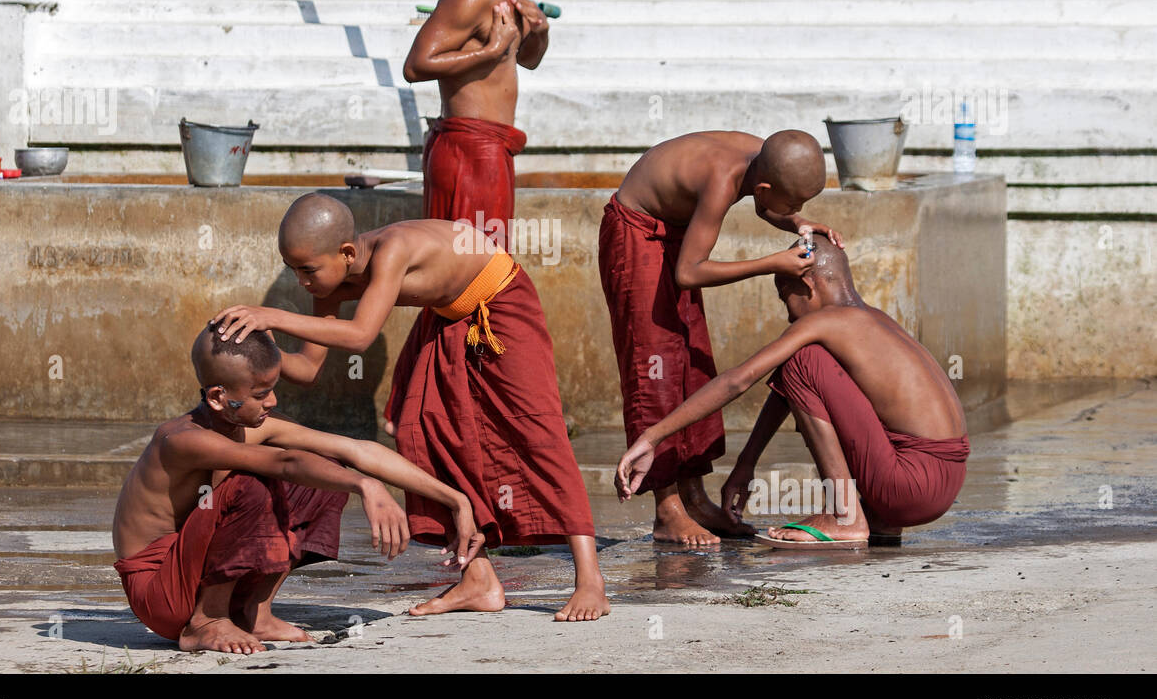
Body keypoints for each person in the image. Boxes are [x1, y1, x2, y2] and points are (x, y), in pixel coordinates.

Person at [211, 193, 609, 621]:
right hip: (448, 313)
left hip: (501, 300)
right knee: (421, 428)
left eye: (308, 270)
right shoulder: (332, 282)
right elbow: (308, 368)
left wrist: (273, 316)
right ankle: (478, 579)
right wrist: (256, 348)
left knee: (535, 432)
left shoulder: (392, 250)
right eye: (293, 270)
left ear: (347, 253)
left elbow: (361, 335)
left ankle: (590, 581)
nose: (302, 282)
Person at [111, 324, 483, 654]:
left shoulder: (248, 424)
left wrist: (456, 500)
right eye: (260, 394)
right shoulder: (181, 440)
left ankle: (255, 611)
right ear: (217, 397)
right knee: (254, 481)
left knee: (325, 470)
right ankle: (207, 621)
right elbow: (283, 463)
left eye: (273, 390)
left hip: (197, 571)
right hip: (162, 593)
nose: (272, 402)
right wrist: (365, 486)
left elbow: (354, 449)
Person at [615, 234, 969, 548]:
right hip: (943, 485)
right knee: (803, 362)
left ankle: (844, 516)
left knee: (803, 359)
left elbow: (740, 379)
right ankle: (880, 521)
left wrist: (653, 436)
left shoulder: (827, 321)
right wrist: (746, 464)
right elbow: (792, 386)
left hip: (909, 486)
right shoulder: (877, 320)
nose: (789, 317)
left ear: (809, 286)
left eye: (786, 300)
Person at [601, 129, 841, 546]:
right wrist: (773, 263)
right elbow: (689, 272)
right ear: (765, 186)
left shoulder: (760, 156)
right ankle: (666, 509)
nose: (798, 211)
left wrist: (795, 219)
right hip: (637, 233)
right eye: (794, 203)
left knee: (691, 361)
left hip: (677, 233)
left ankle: (694, 497)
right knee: (653, 364)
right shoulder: (721, 178)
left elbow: (766, 203)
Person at [401, 0, 550, 246]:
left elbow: (524, 60)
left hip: (490, 152)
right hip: (469, 153)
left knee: (473, 279)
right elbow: (416, 65)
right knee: (472, 280)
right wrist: (486, 52)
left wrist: (540, 32)